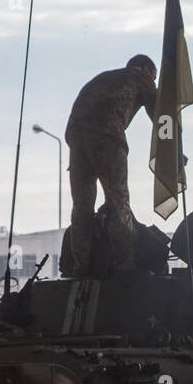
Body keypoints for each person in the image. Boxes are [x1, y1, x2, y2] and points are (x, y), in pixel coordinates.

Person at [64, 55, 157, 273]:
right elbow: (161, 116)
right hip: (106, 137)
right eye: (154, 78)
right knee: (118, 202)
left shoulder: (104, 78)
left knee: (81, 207)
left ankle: (81, 267)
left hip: (76, 139)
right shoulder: (139, 76)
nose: (153, 83)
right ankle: (123, 265)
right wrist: (176, 153)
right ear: (145, 69)